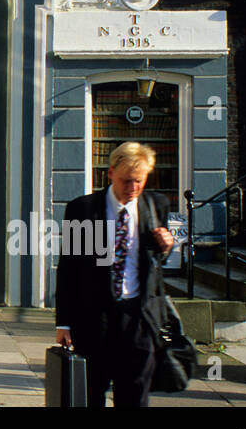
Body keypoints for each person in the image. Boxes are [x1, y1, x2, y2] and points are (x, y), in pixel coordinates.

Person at [55, 142, 174, 407]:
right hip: (94, 319)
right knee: (89, 394)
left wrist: (166, 247)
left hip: (139, 319)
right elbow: (68, 268)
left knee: (134, 396)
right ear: (110, 174)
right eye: (126, 181)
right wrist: (63, 322)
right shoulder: (83, 209)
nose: (132, 188)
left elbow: (154, 262)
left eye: (139, 181)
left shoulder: (156, 206)